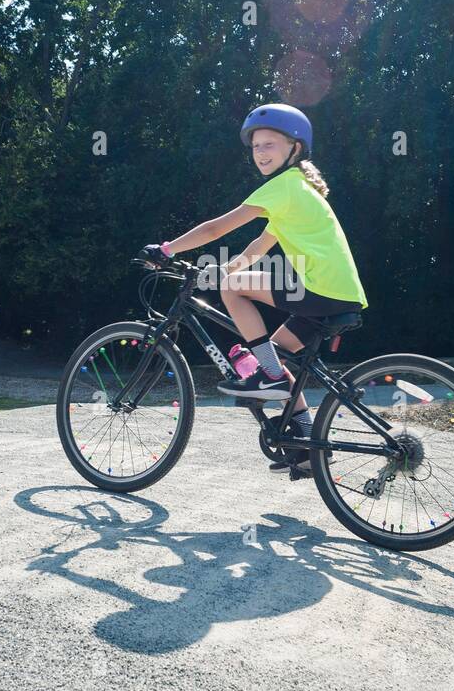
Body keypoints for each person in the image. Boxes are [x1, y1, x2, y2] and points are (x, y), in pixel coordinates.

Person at [139, 103, 368, 473]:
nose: (260, 153)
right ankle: (310, 450)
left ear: (294, 148)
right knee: (273, 354)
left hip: (319, 286)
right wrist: (216, 273)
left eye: (269, 145)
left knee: (243, 310)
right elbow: (257, 248)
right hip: (336, 292)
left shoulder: (284, 187)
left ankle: (269, 376)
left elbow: (216, 229)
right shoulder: (299, 191)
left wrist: (166, 249)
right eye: (255, 146)